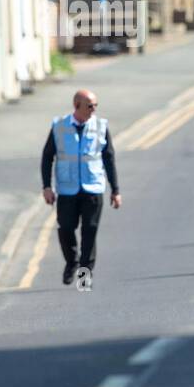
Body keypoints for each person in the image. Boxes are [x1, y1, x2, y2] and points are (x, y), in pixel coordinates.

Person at [41, 89, 120, 285]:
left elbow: (109, 158)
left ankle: (85, 275)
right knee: (66, 229)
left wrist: (115, 189)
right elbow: (47, 157)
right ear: (77, 106)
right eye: (89, 105)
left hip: (93, 187)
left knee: (90, 231)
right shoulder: (59, 126)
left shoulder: (101, 126)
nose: (94, 109)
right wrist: (46, 186)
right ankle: (71, 263)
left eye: (95, 105)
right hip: (67, 190)